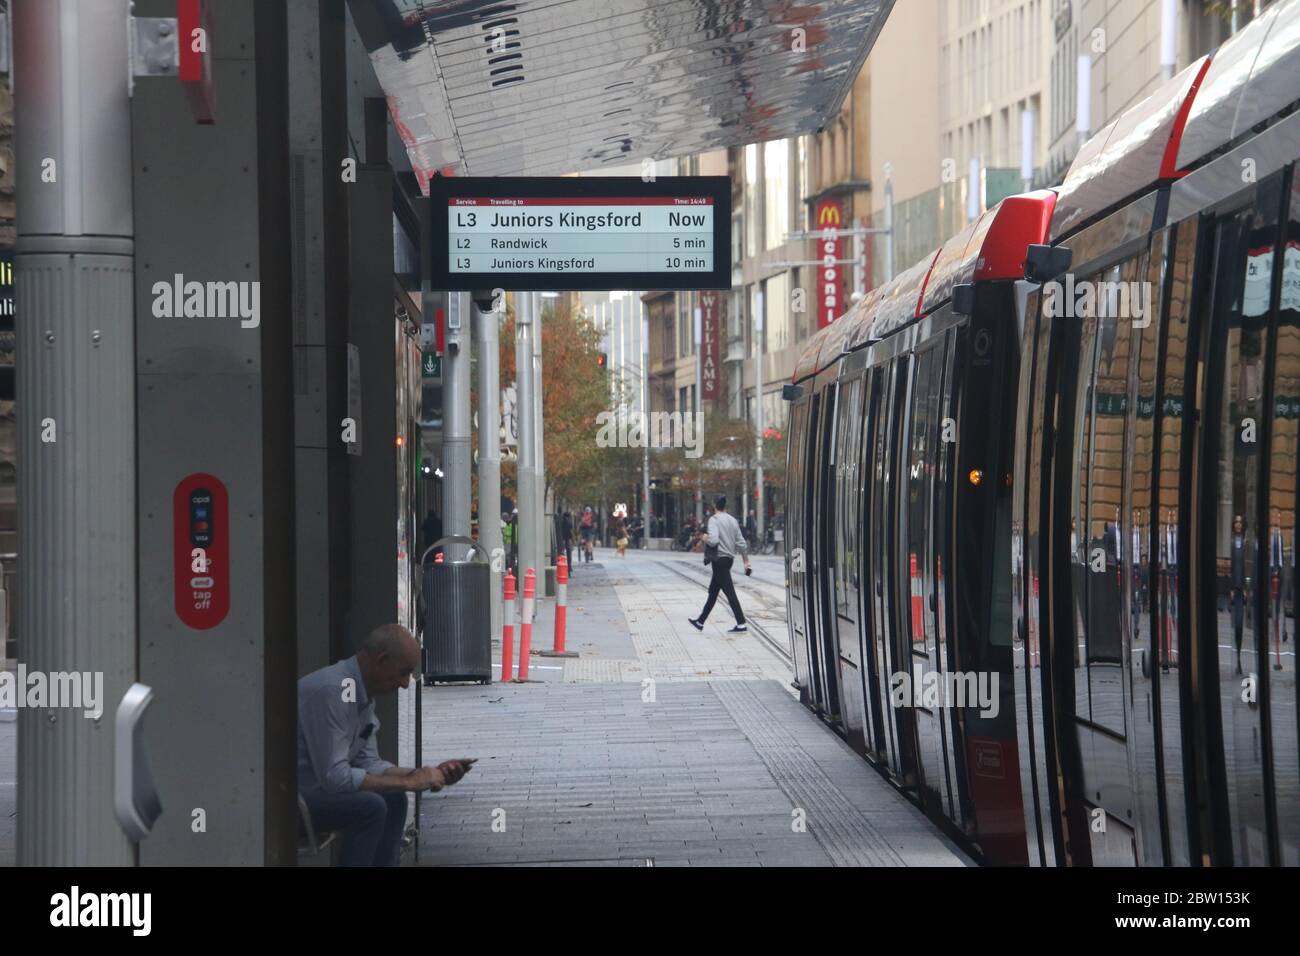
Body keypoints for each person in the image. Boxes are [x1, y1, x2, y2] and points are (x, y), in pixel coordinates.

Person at [298, 624, 474, 866]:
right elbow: (334, 778)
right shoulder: (333, 691)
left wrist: (426, 774)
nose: (404, 684)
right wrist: (408, 782)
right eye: (403, 673)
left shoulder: (362, 695)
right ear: (381, 660)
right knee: (370, 806)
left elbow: (369, 763)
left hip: (318, 791)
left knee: (394, 798)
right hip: (293, 797)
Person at [688, 496, 751, 633]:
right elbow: (741, 543)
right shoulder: (733, 520)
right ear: (725, 506)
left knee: (729, 592)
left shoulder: (714, 520)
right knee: (713, 592)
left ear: (714, 505)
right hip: (728, 559)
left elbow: (713, 541)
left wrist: (703, 537)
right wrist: (746, 561)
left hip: (719, 560)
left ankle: (741, 623)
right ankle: (700, 621)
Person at [1230, 514, 1247, 675]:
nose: (1238, 525)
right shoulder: (1231, 543)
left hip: (1243, 591)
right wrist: (1230, 588)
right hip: (1233, 591)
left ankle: (1240, 657)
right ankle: (1237, 658)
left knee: (1240, 624)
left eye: (1240, 523)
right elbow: (1231, 566)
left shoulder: (1245, 543)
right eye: (1236, 522)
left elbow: (1246, 566)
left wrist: (1247, 587)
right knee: (1235, 625)